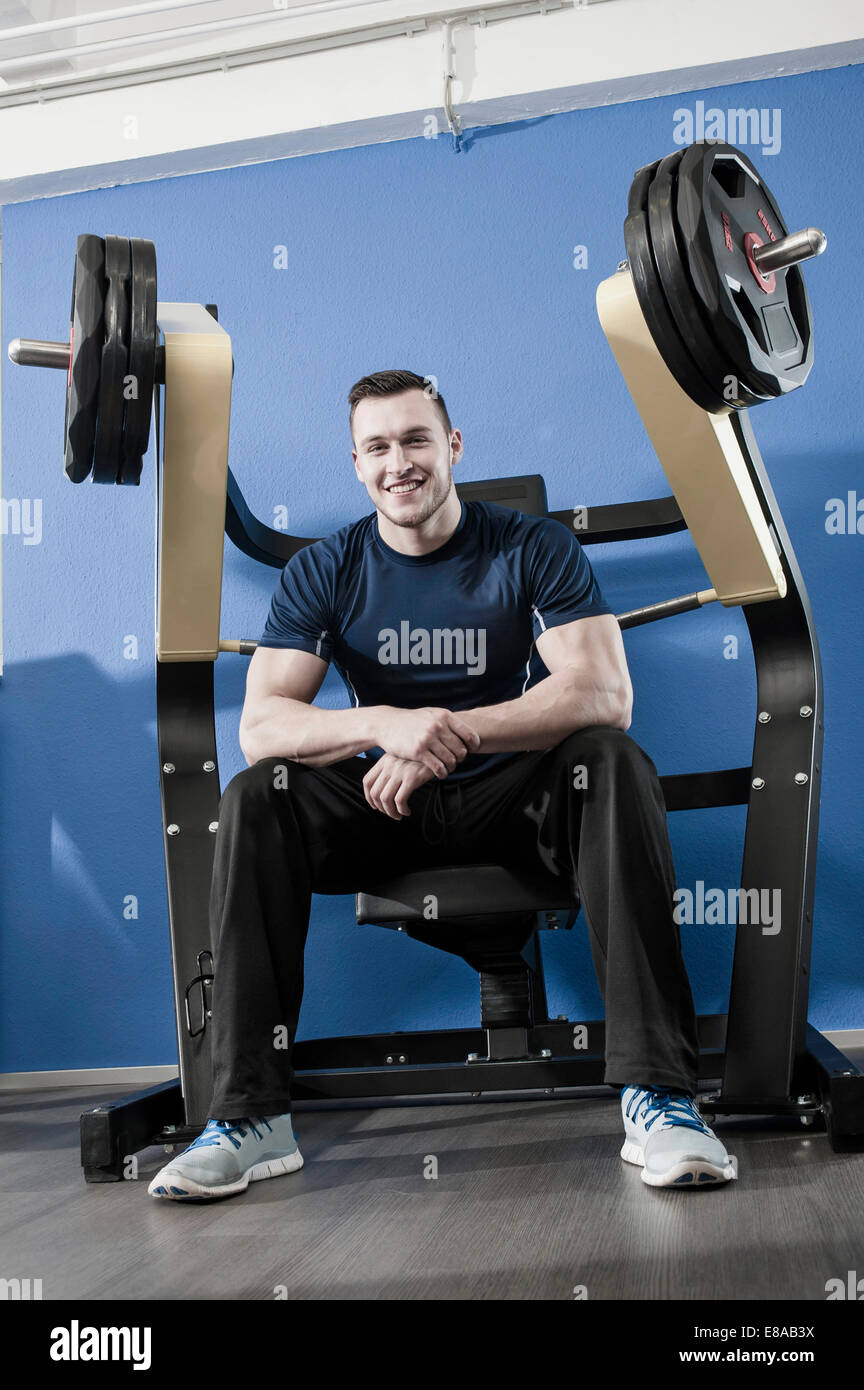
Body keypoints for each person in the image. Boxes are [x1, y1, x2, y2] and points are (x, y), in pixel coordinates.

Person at [149, 369, 736, 1202]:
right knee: (256, 795)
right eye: (378, 447)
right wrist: (386, 725)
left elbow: (606, 694)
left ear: (452, 446)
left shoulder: (533, 547)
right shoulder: (325, 569)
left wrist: (442, 739)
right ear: (356, 464)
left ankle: (661, 1100)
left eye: (417, 440)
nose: (401, 463)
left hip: (517, 800)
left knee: (611, 761)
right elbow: (263, 726)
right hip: (383, 805)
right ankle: (248, 1116)